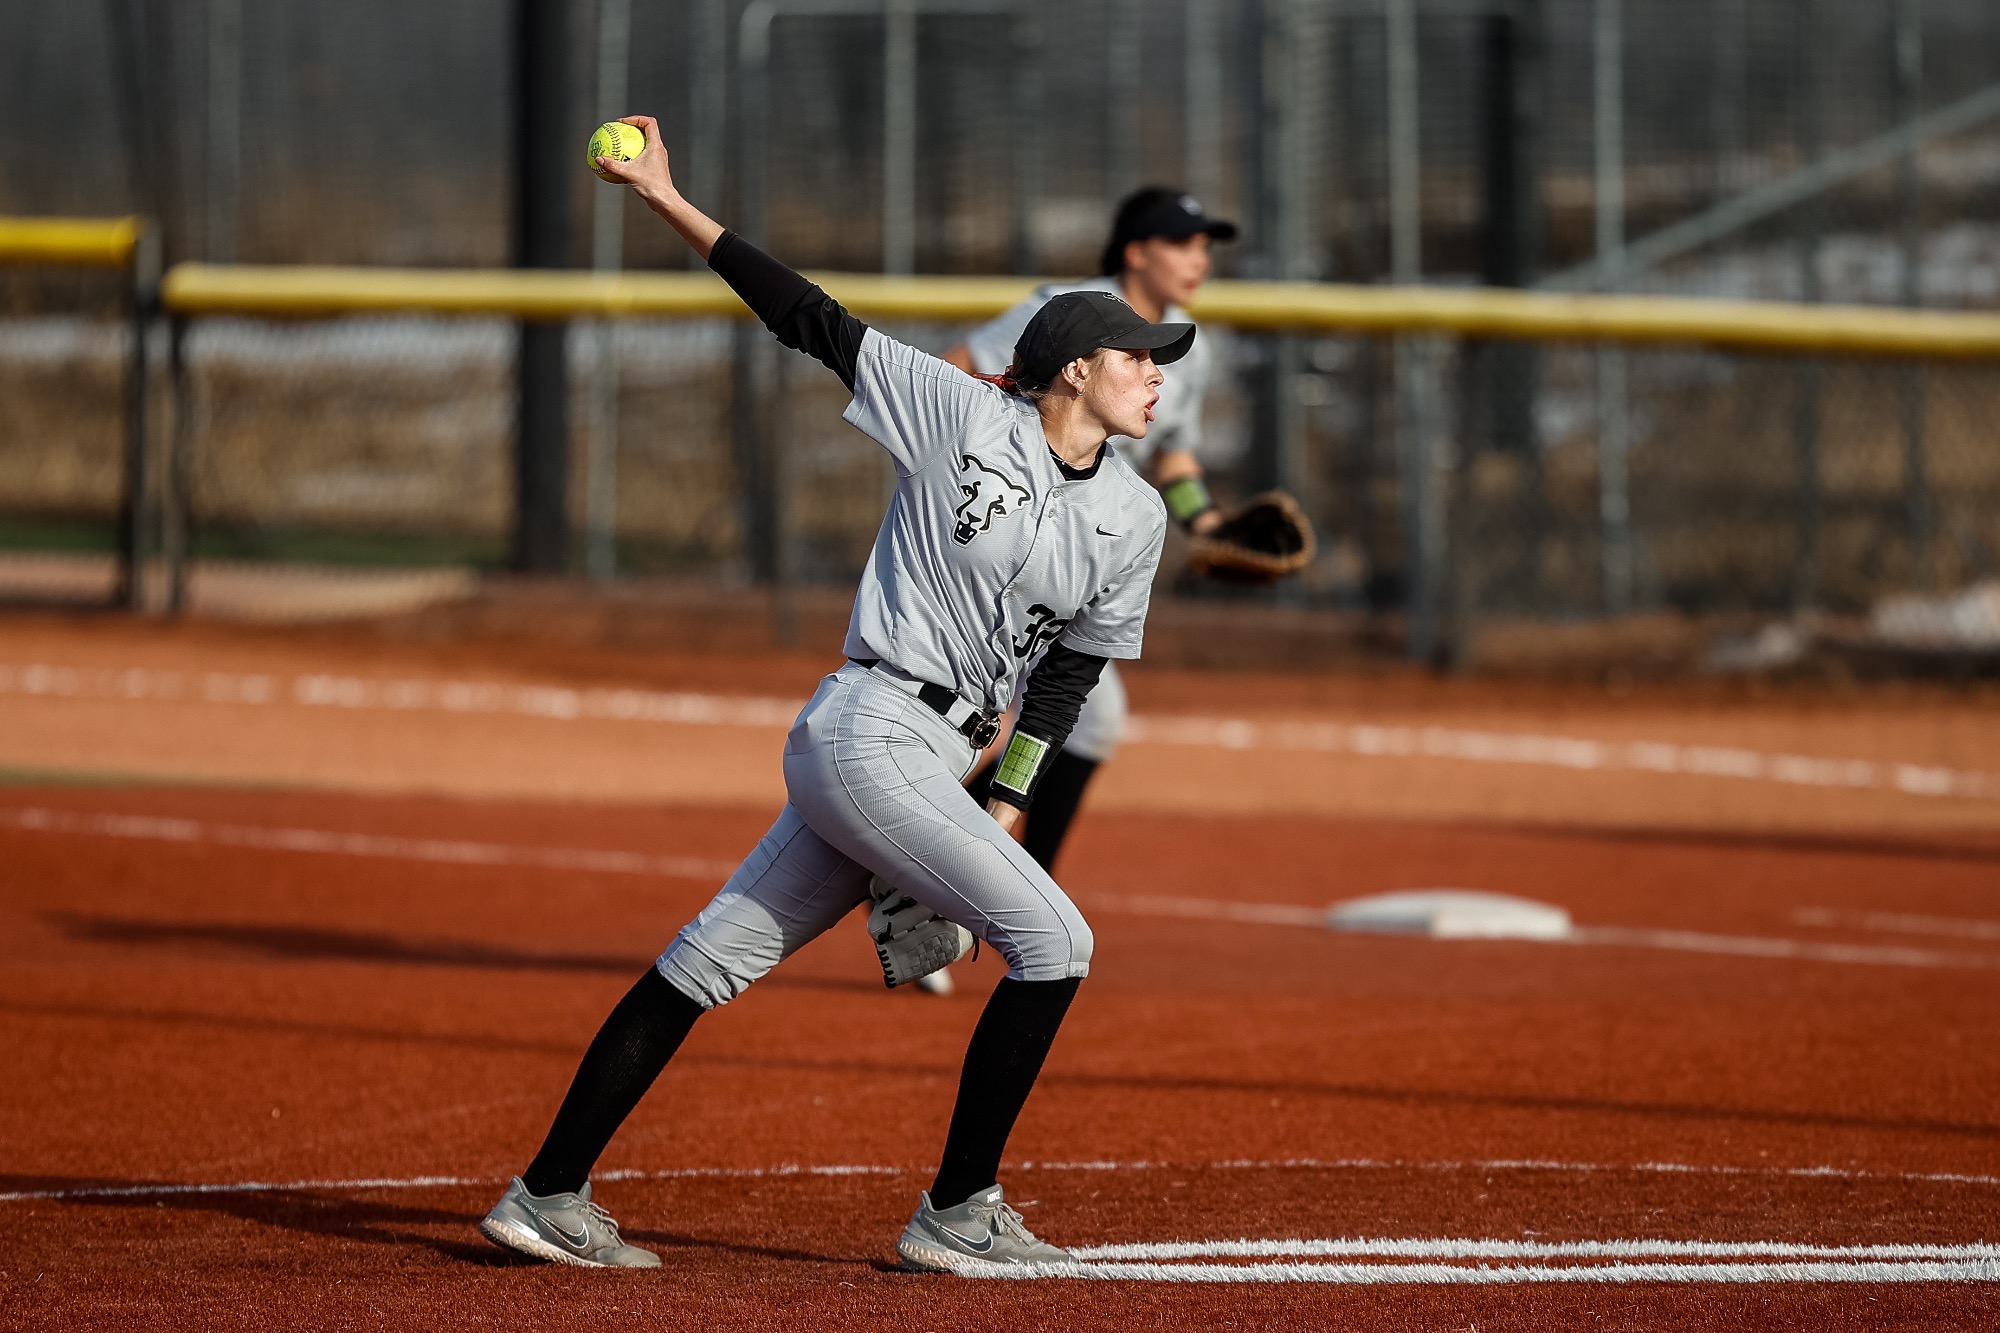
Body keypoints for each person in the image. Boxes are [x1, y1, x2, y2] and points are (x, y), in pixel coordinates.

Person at [477, 115, 1184, 1275]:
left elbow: (1066, 677)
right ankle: (958, 1211)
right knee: (1056, 940)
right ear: (1071, 367)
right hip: (867, 728)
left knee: (704, 962)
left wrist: (1006, 802)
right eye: (1136, 357)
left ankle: (544, 1191)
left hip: (933, 758)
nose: (1155, 377)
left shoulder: (1132, 516)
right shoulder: (960, 417)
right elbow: (807, 316)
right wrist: (665, 197)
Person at [903, 187, 1237, 997]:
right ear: (1136, 252)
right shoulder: (1063, 312)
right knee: (965, 716)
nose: (1200, 257)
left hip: (1076, 554)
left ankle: (973, 877)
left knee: (1087, 715)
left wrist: (1209, 523)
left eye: (1206, 243)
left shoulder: (1183, 355)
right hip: (1004, 546)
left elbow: (1175, 463)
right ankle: (956, 882)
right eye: (1183, 240)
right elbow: (953, 373)